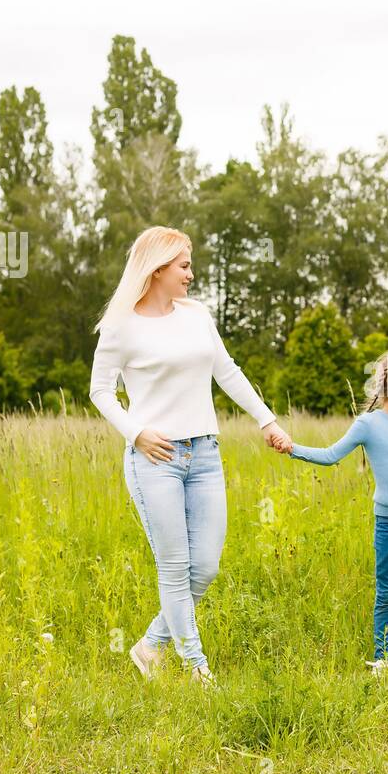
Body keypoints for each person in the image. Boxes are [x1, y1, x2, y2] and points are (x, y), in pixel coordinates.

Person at [89, 226, 290, 686]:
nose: (191, 274)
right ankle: (197, 668)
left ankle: (150, 645)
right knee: (175, 565)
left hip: (204, 454)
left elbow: (228, 371)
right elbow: (100, 390)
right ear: (157, 269)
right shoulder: (122, 325)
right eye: (184, 265)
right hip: (154, 459)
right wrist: (135, 432)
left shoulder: (197, 315)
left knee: (206, 566)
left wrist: (268, 420)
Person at [283, 350, 388, 676]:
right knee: (386, 592)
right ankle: (383, 658)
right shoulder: (368, 424)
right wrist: (292, 448)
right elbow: (330, 456)